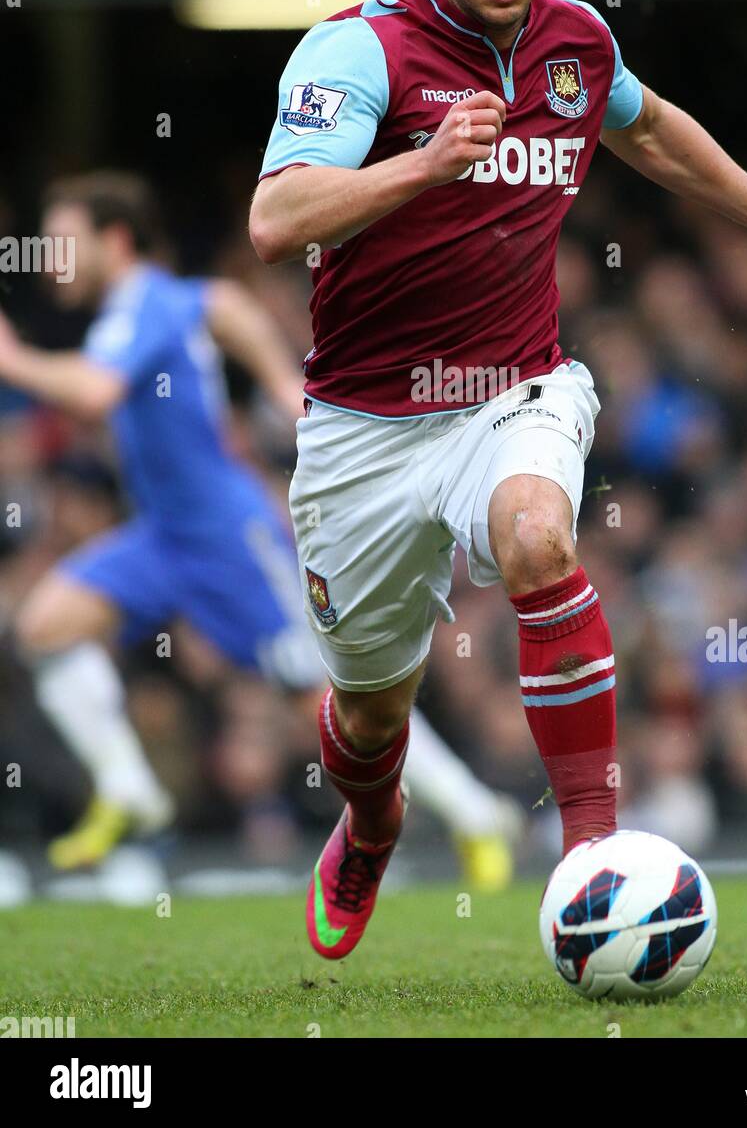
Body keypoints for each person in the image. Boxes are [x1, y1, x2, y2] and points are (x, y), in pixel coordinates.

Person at [250, 0, 747, 961]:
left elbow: (653, 132)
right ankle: (375, 822)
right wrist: (427, 161)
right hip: (364, 430)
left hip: (515, 388)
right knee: (370, 713)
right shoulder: (359, 49)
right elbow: (275, 219)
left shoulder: (576, 44)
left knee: (539, 539)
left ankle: (594, 845)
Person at [0, 171, 520, 886]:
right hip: (162, 535)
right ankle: (128, 787)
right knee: (43, 628)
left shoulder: (143, 300)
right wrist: (280, 381)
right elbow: (222, 303)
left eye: (63, 242)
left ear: (114, 241)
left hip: (225, 536)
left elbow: (95, 392)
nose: (52, 259)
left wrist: (12, 359)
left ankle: (474, 812)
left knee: (325, 696)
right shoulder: (169, 304)